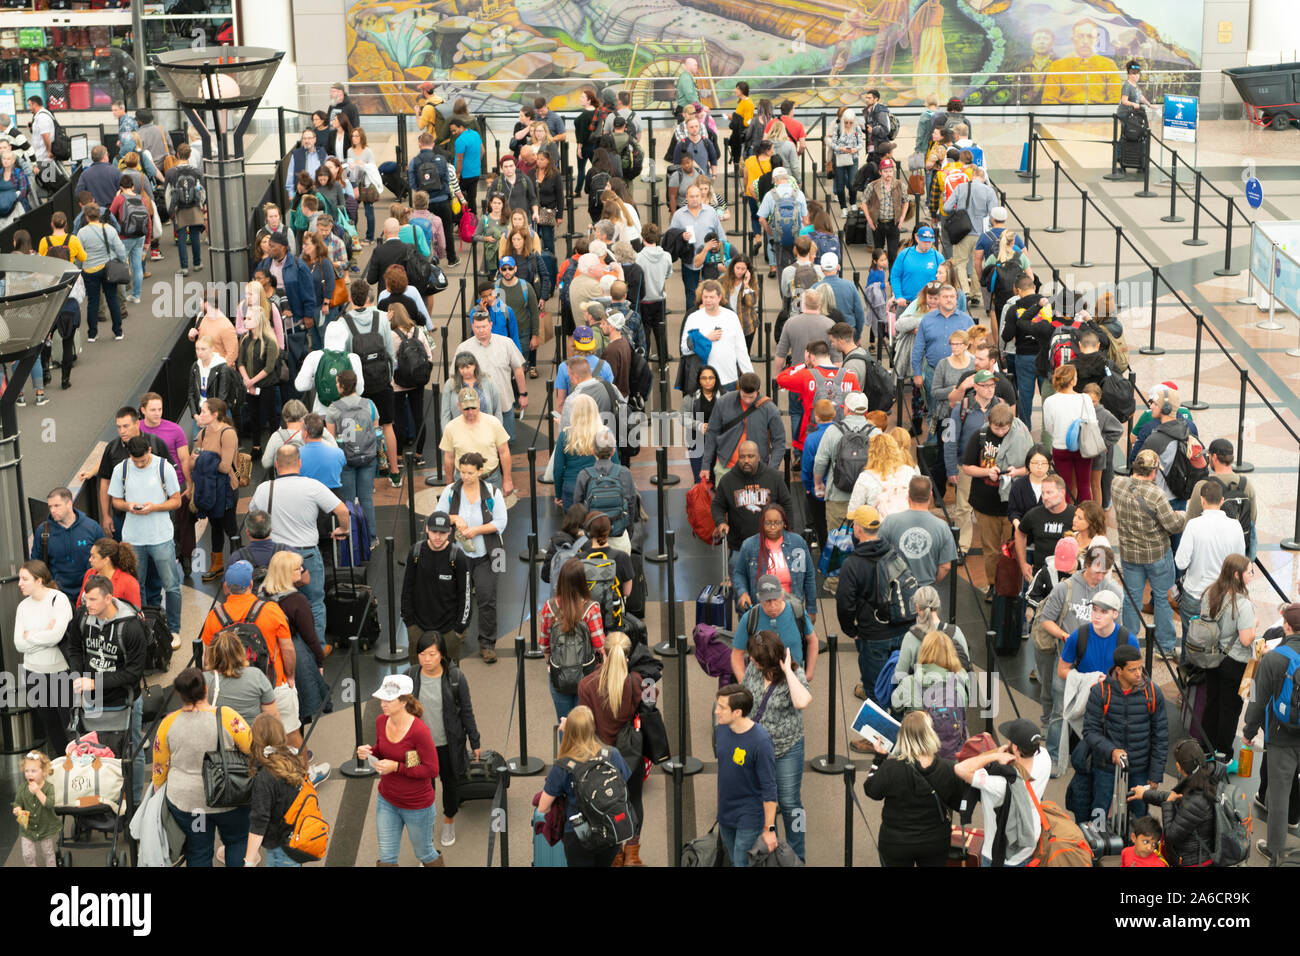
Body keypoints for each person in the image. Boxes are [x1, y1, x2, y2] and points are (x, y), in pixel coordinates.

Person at [151, 667, 253, 867]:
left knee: (198, 850)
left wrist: (158, 791)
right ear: (206, 688)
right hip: (229, 797)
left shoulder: (168, 723)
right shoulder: (227, 716)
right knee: (238, 841)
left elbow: (159, 767)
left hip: (189, 804)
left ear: (180, 694)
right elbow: (252, 748)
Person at [249, 445, 350, 645]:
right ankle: (317, 648)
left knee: (276, 602)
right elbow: (342, 511)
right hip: (307, 556)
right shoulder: (312, 486)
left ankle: (282, 645)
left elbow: (254, 518)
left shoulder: (263, 489)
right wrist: (343, 529)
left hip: (277, 557)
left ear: (276, 465)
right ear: (300, 464)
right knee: (314, 603)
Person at [734, 627, 812, 862]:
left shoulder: (793, 675)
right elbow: (746, 697)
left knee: (791, 804)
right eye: (753, 659)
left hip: (788, 748)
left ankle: (798, 854)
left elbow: (803, 701)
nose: (753, 663)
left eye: (758, 660)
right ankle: (774, 855)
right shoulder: (754, 668)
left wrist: (787, 670)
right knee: (766, 803)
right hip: (759, 751)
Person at [1074, 643, 1168, 823]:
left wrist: (1155, 774)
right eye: (1132, 669)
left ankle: (1138, 849)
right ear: (1119, 670)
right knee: (1099, 810)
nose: (1139, 673)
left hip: (1140, 768)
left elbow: (1161, 736)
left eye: (1140, 667)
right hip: (1105, 765)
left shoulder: (1153, 693)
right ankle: (1097, 846)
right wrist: (1112, 751)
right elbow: (1090, 731)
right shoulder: (1100, 692)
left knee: (1140, 813)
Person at [357, 674, 443, 866]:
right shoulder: (381, 721)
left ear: (404, 701)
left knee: (425, 854)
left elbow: (431, 769)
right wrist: (369, 751)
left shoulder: (419, 731)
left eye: (389, 699)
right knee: (386, 858)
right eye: (382, 698)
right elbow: (383, 750)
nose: (383, 704)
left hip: (417, 805)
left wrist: (396, 767)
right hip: (387, 800)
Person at [862, 709, 965, 866]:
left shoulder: (891, 768)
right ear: (930, 734)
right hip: (935, 842)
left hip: (896, 842)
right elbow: (958, 804)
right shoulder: (948, 768)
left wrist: (879, 759)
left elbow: (871, 790)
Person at [575, 632, 644, 864]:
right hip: (630, 756)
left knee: (604, 804)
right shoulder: (635, 682)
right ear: (627, 656)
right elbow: (650, 702)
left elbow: (586, 724)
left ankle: (614, 854)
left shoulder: (586, 685)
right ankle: (632, 853)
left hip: (599, 759)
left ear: (601, 652)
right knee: (633, 800)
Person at [407, 630, 481, 849]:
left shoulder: (456, 678)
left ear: (442, 655)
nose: (426, 659)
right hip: (417, 747)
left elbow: (466, 711)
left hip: (448, 744)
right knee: (420, 788)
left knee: (450, 783)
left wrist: (475, 742)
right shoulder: (411, 676)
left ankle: (449, 819)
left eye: (431, 654)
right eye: (422, 654)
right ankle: (426, 831)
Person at [836, 505, 916, 704]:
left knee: (875, 691)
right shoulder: (894, 553)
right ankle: (900, 733)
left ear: (858, 529)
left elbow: (845, 604)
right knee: (902, 688)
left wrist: (850, 630)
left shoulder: (852, 564)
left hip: (872, 636)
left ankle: (878, 735)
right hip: (903, 630)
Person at [107, 435, 182, 642]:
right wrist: (128, 506)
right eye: (135, 461)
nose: (139, 464)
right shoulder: (121, 469)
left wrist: (154, 507)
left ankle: (174, 629)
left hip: (161, 536)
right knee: (135, 585)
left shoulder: (164, 467)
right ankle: (141, 628)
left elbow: (176, 501)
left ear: (150, 450)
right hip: (132, 539)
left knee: (171, 585)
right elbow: (116, 501)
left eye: (143, 460)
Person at [537, 705, 631, 867]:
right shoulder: (611, 754)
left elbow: (543, 807)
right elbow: (624, 784)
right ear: (593, 727)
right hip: (609, 828)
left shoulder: (563, 766)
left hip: (577, 834)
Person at [436, 453, 507, 664]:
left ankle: (487, 644)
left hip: (490, 554)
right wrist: (454, 518)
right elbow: (437, 518)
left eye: (469, 472)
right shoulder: (450, 491)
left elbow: (501, 522)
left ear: (479, 472)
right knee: (457, 596)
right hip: (459, 555)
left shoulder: (493, 492)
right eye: (462, 472)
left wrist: (476, 531)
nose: (465, 476)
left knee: (487, 598)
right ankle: (458, 632)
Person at [1113, 450, 1186, 655]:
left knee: (1132, 598)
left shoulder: (1117, 484)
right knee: (1162, 597)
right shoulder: (1156, 494)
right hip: (1156, 555)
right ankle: (1165, 647)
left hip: (1129, 554)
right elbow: (1172, 525)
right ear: (1153, 472)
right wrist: (1181, 516)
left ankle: (1128, 646)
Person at [954, 718, 1052, 866]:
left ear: (1016, 749)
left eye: (1010, 742)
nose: (1007, 744)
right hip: (1029, 843)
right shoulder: (1045, 759)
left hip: (998, 853)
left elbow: (960, 769)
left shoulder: (999, 783)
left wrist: (994, 755)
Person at [960, 404, 1026, 594]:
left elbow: (1034, 465)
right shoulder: (979, 436)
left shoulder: (1021, 435)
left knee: (1011, 550)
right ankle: (992, 585)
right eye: (996, 428)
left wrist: (1017, 471)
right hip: (985, 504)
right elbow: (967, 467)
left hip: (1011, 506)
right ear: (989, 424)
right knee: (990, 551)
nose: (1000, 432)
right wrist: (986, 472)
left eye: (1004, 428)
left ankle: (1009, 585)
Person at [1197, 555, 1257, 760]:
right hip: (1234, 662)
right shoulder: (1242, 604)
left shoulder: (1210, 592)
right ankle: (1223, 754)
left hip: (1211, 656)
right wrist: (1255, 625)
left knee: (1212, 702)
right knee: (1230, 710)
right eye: (1249, 571)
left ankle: (1205, 748)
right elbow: (1246, 639)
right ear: (1237, 575)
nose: (1252, 575)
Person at [712, 684, 778, 867]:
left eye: (722, 707)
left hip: (749, 817)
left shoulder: (761, 742)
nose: (716, 711)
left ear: (737, 712)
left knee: (742, 862)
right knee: (735, 860)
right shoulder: (721, 730)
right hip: (725, 814)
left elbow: (770, 789)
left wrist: (769, 829)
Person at [15, 561, 73, 755]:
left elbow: (56, 636)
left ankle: (78, 768)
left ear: (39, 580)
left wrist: (30, 634)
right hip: (33, 673)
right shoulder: (23, 606)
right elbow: (18, 644)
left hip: (60, 673)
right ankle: (62, 763)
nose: (19, 583)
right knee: (50, 725)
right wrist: (43, 633)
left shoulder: (59, 599)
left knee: (69, 725)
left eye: (25, 579)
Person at [1129, 738, 1214, 868]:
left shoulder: (1195, 801)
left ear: (1179, 766)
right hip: (1197, 855)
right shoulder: (1203, 778)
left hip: (1191, 862)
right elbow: (1174, 796)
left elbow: (1171, 835)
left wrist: (1167, 804)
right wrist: (1144, 794)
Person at [1175, 481, 1245, 635]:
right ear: (1222, 501)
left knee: (1191, 642)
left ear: (1202, 500)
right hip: (1224, 595)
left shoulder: (1193, 525)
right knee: (1221, 640)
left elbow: (1181, 563)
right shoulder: (1235, 526)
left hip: (1195, 594)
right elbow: (1241, 562)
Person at [402, 512, 472, 666]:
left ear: (450, 532)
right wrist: (410, 624)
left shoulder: (458, 557)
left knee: (449, 677)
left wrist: (459, 629)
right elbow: (407, 588)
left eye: (442, 532)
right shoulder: (416, 552)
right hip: (418, 628)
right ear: (427, 529)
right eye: (434, 531)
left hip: (449, 630)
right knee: (417, 676)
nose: (438, 537)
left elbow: (465, 595)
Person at [733, 505, 817, 618]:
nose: (772, 527)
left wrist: (811, 609)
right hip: (761, 609)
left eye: (777, 523)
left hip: (792, 608)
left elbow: (809, 576)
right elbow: (739, 573)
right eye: (768, 523)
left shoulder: (797, 543)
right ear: (762, 524)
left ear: (784, 523)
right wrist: (743, 592)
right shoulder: (749, 545)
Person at [456, 310, 527, 444]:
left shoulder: (506, 343)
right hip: (476, 410)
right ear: (472, 326)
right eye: (477, 327)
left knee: (507, 443)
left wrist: (523, 394)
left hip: (504, 403)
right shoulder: (463, 348)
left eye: (484, 326)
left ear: (491, 324)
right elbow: (455, 378)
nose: (481, 330)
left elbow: (518, 369)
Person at [712, 440, 794, 553]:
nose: (746, 460)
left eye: (751, 456)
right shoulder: (727, 480)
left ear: (758, 457)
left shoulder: (773, 477)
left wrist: (788, 530)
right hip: (738, 547)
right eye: (742, 457)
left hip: (771, 543)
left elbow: (786, 503)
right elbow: (717, 505)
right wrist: (721, 522)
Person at [700, 372, 785, 479]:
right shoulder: (723, 402)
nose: (747, 400)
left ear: (758, 391)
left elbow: (779, 442)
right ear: (739, 389)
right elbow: (711, 433)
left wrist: (771, 471)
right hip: (726, 468)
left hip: (756, 471)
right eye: (744, 396)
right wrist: (705, 465)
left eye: (751, 397)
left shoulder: (770, 409)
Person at [879, 476, 956, 589]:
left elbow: (878, 554)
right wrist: (932, 582)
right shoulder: (942, 526)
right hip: (926, 589)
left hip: (897, 588)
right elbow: (945, 566)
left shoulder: (890, 521)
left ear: (908, 494)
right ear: (930, 495)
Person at [32, 487, 104, 603]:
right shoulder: (43, 531)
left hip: (89, 592)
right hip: (57, 595)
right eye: (50, 506)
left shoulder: (92, 527)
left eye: (57, 505)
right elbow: (36, 563)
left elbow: (105, 559)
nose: (52, 510)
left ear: (69, 504)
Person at [680, 278, 751, 391]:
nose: (708, 300)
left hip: (729, 379)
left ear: (719, 298)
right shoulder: (693, 318)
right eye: (705, 297)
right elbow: (684, 349)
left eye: (711, 297)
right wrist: (706, 339)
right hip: (704, 382)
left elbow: (741, 349)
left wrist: (750, 376)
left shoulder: (731, 317)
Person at [573, 430, 637, 554]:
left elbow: (577, 508)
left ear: (593, 451)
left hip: (592, 539)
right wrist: (628, 532)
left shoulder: (584, 475)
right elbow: (631, 505)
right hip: (619, 536)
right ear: (613, 451)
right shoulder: (625, 473)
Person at [441, 386, 513, 494]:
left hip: (491, 478)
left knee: (492, 510)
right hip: (462, 480)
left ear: (479, 403)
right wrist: (449, 484)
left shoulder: (493, 423)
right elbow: (449, 458)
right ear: (459, 406)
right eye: (466, 408)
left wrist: (507, 479)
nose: (470, 412)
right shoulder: (451, 427)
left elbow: (504, 452)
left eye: (473, 407)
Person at [1040, 364, 1096, 502]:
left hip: (1060, 447)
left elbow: (1048, 427)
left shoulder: (1050, 401)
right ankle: (1085, 516)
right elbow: (1093, 423)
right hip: (1082, 447)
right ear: (1072, 381)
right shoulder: (1085, 399)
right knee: (1084, 485)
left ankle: (1065, 517)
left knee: (1064, 486)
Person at [75, 203, 127, 342]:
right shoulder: (109, 229)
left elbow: (79, 254)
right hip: (108, 268)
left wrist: (79, 267)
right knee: (112, 299)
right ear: (99, 215)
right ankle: (118, 331)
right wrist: (123, 260)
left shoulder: (82, 232)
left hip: (90, 269)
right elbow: (120, 248)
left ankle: (92, 334)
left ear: (86, 217)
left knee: (93, 302)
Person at [1042, 17, 1121, 105]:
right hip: (1065, 116)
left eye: (1090, 36)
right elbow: (1049, 100)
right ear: (1072, 39)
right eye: (1080, 36)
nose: (1085, 41)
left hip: (1100, 116)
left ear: (1097, 40)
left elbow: (1116, 99)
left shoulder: (1108, 65)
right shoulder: (1057, 66)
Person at [1015, 475, 1076, 580]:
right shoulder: (1034, 514)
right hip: (1041, 575)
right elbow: (1020, 533)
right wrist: (1023, 564)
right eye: (1043, 493)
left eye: (1049, 492)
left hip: (1068, 577)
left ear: (1062, 492)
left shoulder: (1075, 515)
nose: (1044, 497)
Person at [848, 432, 919, 520]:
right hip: (905, 526)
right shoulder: (909, 472)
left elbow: (853, 511)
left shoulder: (865, 478)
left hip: (877, 529)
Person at [12, 749, 58, 867]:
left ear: (43, 772)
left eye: (33, 771)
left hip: (44, 826)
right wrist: (17, 808)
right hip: (27, 828)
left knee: (48, 852)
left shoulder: (49, 788)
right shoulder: (22, 788)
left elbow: (49, 804)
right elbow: (18, 802)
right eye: (26, 771)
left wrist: (38, 791)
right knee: (28, 854)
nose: (29, 774)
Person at [889, 226, 943, 311]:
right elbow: (895, 276)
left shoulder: (938, 257)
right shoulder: (904, 254)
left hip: (929, 304)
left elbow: (943, 280)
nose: (927, 244)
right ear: (917, 238)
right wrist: (898, 296)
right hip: (906, 303)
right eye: (924, 241)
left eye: (930, 242)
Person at [79, 537, 141, 609]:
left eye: (93, 557)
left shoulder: (129, 582)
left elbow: (136, 614)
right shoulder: (90, 573)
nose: (90, 560)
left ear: (106, 560)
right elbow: (79, 604)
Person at [829, 111, 863, 211]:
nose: (848, 125)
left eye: (850, 122)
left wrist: (855, 149)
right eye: (846, 122)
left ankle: (853, 203)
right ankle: (843, 207)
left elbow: (860, 144)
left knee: (853, 183)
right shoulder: (838, 128)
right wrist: (841, 149)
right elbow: (833, 144)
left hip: (853, 158)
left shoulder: (857, 128)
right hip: (840, 158)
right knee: (840, 185)